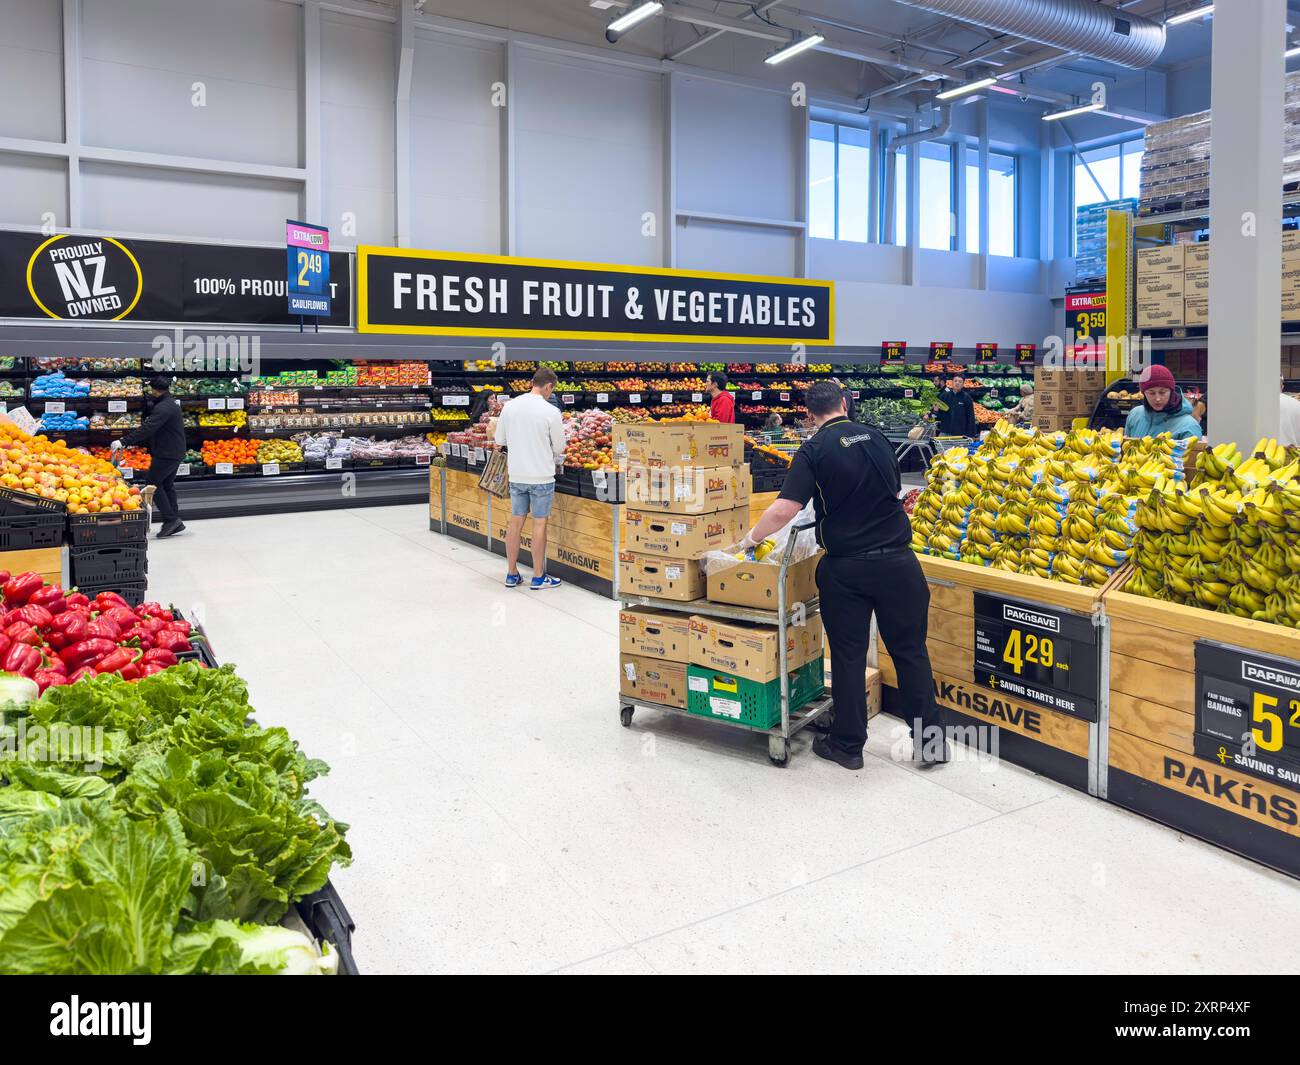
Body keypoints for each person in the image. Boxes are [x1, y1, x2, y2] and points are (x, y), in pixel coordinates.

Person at [739, 381, 948, 772]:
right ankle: (932, 743)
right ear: (844, 403)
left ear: (808, 415)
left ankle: (848, 745)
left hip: (848, 568)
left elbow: (785, 510)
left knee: (849, 657)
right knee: (911, 652)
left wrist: (751, 538)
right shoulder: (878, 436)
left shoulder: (814, 449)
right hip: (901, 563)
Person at [493, 368, 566, 589]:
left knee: (515, 522)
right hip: (541, 476)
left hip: (517, 474)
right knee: (539, 524)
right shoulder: (550, 411)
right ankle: (538, 576)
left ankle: (512, 573)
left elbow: (500, 439)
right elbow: (560, 446)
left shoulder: (510, 406)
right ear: (548, 386)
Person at [112, 374, 186, 538]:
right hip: (175, 450)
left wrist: (123, 441)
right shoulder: (169, 403)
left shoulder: (163, 408)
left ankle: (171, 519)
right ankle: (174, 520)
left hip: (167, 452)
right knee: (167, 484)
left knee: (153, 483)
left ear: (155, 390)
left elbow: (148, 428)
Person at [1123, 364, 1202, 439]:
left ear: (1171, 391)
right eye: (1151, 393)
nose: (1157, 398)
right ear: (1143, 393)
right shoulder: (1135, 415)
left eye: (1162, 392)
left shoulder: (1189, 426)